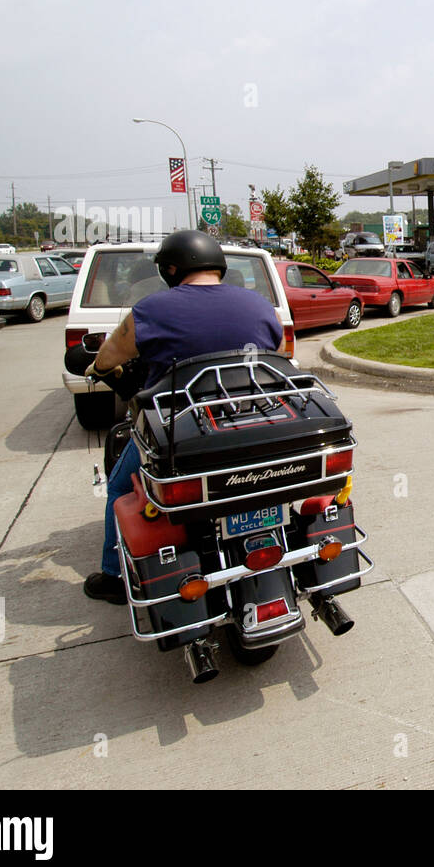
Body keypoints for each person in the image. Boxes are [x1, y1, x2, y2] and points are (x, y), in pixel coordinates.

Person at [82, 230, 284, 604]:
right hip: (252, 422)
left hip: (182, 434)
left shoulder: (150, 310)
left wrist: (95, 366)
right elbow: (282, 356)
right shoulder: (261, 306)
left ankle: (114, 575)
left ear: (171, 269)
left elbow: (108, 360)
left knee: (119, 486)